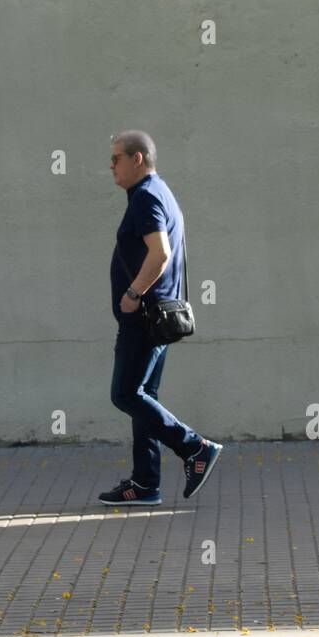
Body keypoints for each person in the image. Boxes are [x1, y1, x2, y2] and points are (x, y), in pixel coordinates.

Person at [99, 130, 221, 506]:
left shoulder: (147, 196)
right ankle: (145, 483)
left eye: (116, 158)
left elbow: (160, 253)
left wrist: (133, 294)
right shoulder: (159, 192)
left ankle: (195, 448)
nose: (111, 166)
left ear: (137, 159)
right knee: (144, 396)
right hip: (159, 316)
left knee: (124, 394)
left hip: (145, 316)